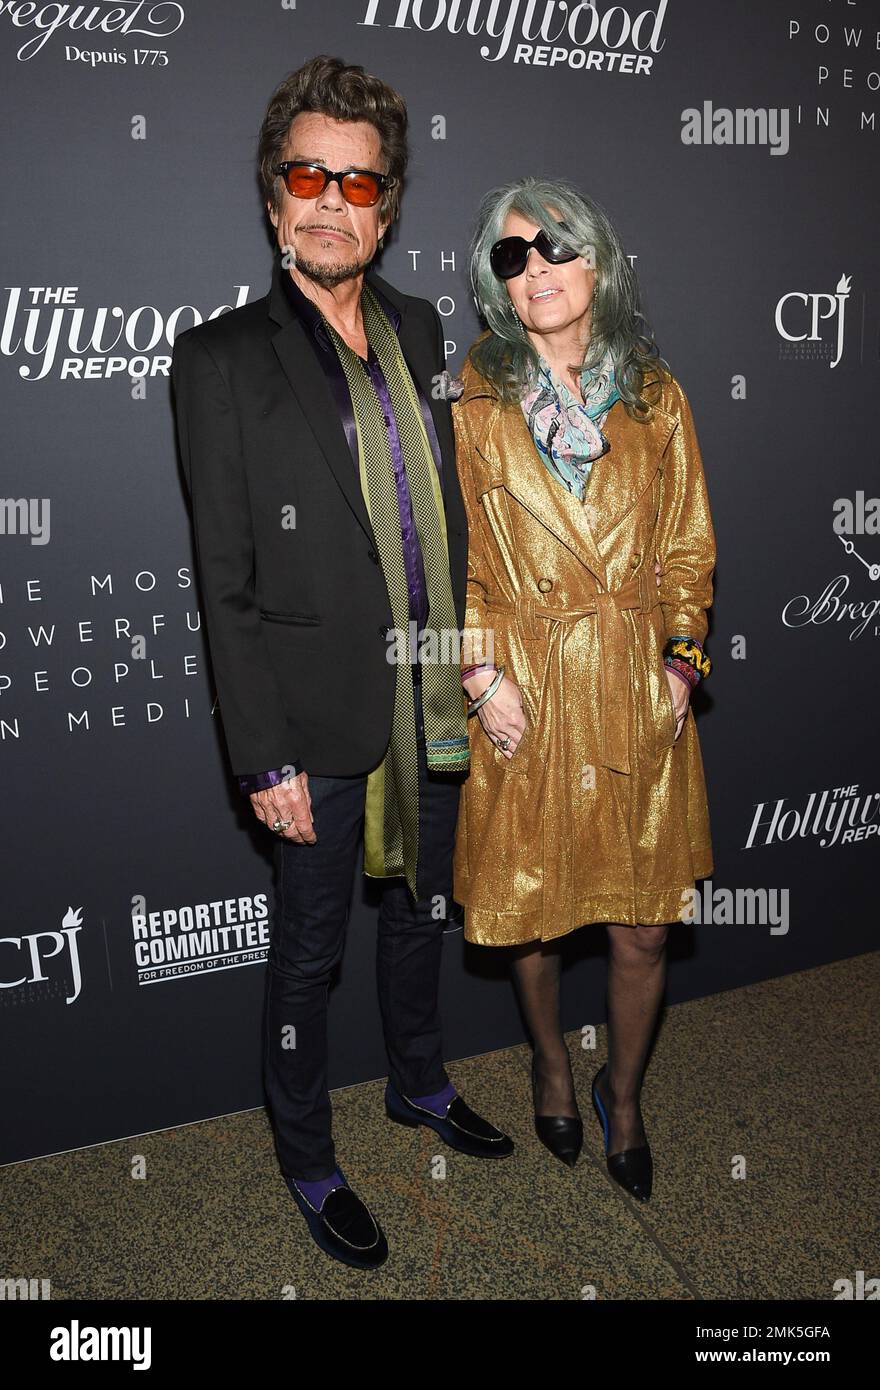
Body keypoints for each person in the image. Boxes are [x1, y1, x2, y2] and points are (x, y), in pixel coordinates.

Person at [170, 55, 512, 1272]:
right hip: (310, 724)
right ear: (274, 197)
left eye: (357, 183)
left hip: (427, 698)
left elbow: (449, 525)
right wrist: (256, 750)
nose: (330, 201)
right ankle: (309, 1160)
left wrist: (471, 667)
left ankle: (418, 1084)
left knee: (420, 918)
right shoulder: (215, 364)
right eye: (307, 175)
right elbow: (225, 581)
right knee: (308, 958)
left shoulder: (421, 328)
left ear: (388, 204)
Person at [451, 177, 716, 1200]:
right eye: (512, 257)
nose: (537, 270)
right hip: (522, 680)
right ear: (495, 283)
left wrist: (680, 664)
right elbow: (451, 555)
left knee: (642, 922)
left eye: (555, 247)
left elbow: (689, 550)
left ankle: (628, 1089)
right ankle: (552, 1062)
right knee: (530, 911)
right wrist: (477, 673)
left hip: (632, 685)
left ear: (598, 261)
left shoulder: (657, 392)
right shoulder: (469, 395)